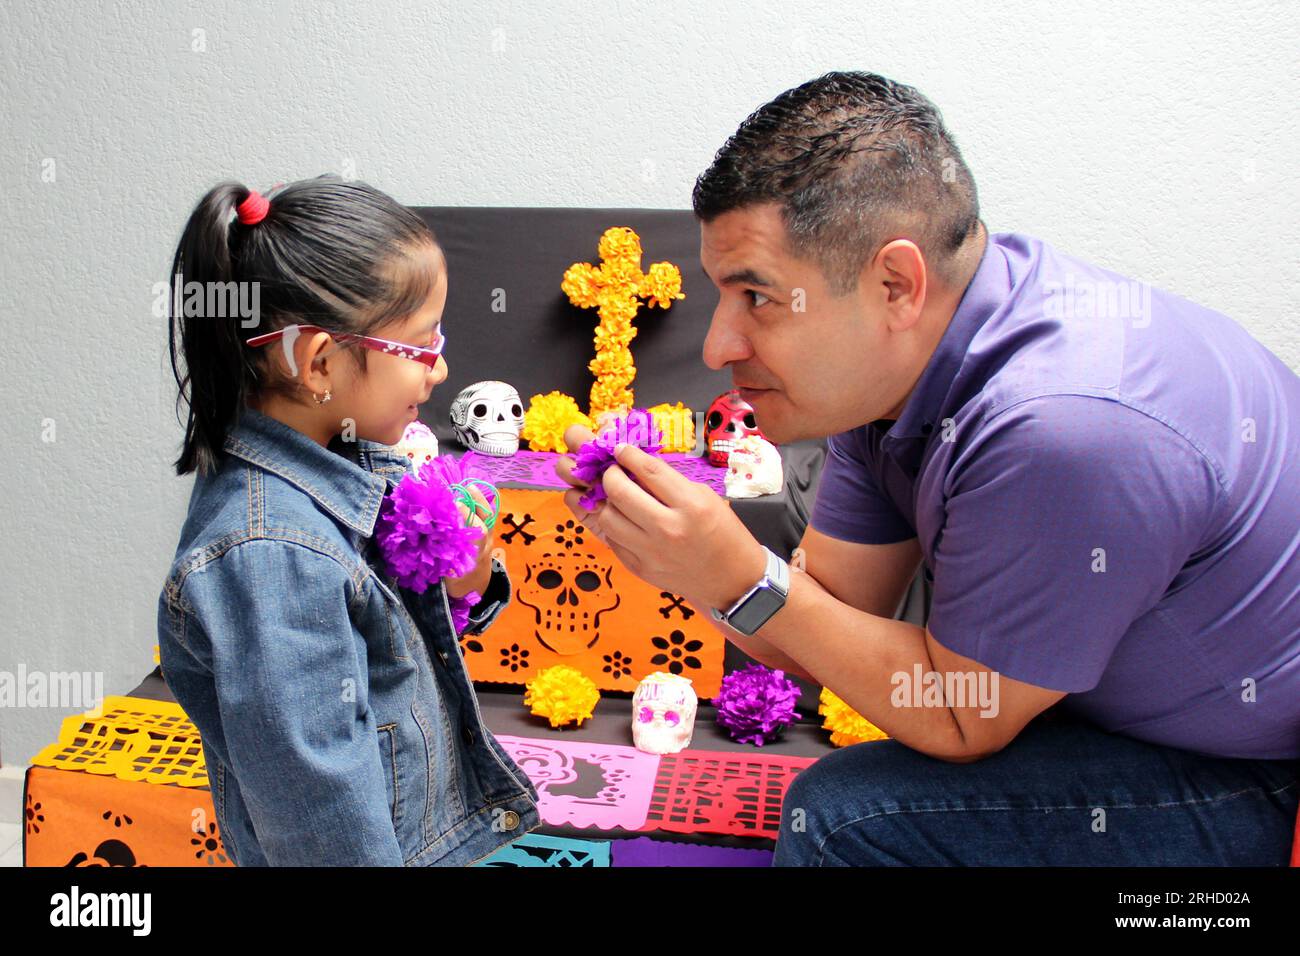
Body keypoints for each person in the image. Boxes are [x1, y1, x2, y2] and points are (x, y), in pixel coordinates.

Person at [556, 72, 1300, 865]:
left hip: (1260, 774)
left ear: (895, 285)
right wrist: (700, 568)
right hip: (1119, 716)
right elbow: (818, 623)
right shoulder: (898, 379)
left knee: (844, 817)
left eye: (759, 298)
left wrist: (737, 575)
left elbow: (960, 717)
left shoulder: (1061, 432)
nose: (717, 346)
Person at [157, 175, 540, 865]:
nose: (440, 368)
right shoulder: (271, 554)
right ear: (320, 362)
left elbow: (400, 630)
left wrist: (468, 573)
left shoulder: (350, 459)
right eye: (422, 347)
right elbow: (319, 815)